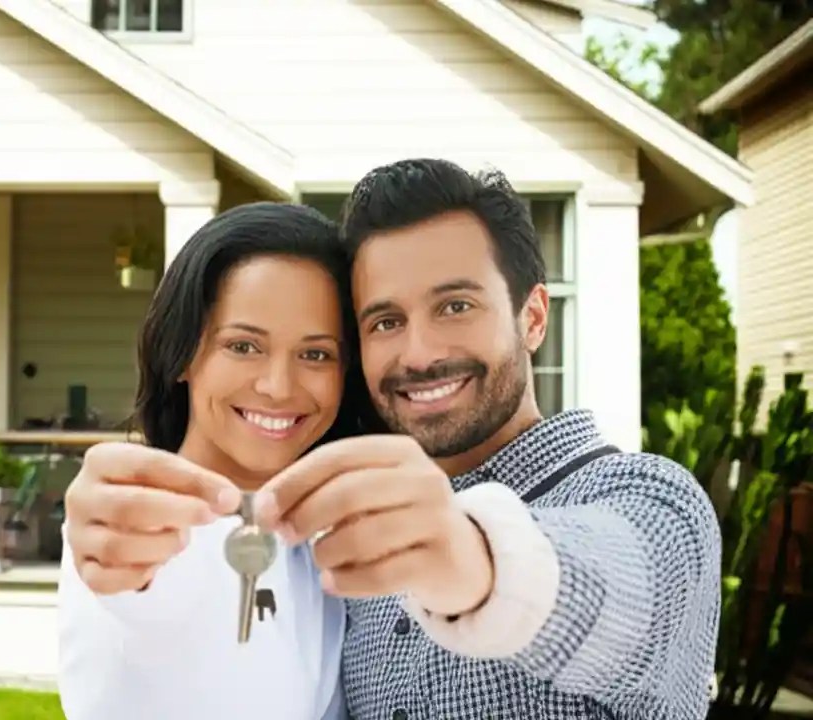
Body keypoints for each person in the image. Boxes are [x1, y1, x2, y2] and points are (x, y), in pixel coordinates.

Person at [63, 159, 722, 720]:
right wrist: (129, 567)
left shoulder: (649, 501)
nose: (419, 352)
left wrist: (477, 559)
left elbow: (623, 589)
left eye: (455, 306)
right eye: (384, 321)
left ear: (533, 316)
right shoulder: (344, 541)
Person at [56, 201, 379, 720]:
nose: (278, 386)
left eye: (316, 354)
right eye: (244, 345)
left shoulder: (314, 541)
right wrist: (115, 541)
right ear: (182, 352)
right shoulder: (157, 533)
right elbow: (135, 581)